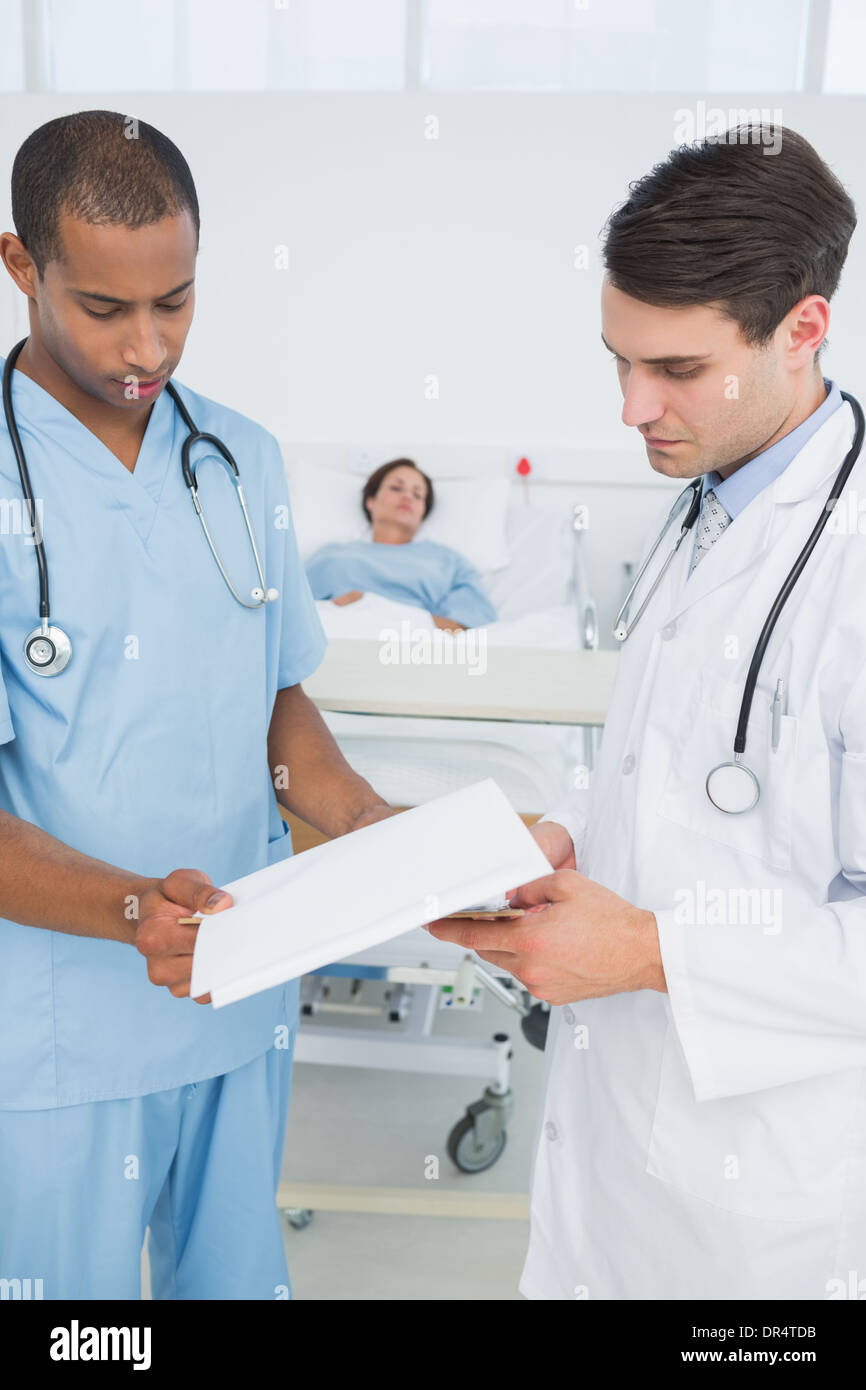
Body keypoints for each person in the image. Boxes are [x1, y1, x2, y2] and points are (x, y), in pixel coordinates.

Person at [429, 125, 866, 1300]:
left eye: (672, 369)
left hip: (760, 1207)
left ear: (801, 329)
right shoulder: (706, 501)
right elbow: (687, 761)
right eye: (617, 360)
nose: (631, 406)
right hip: (616, 1155)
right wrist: (574, 826)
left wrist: (646, 951)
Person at [0, 110, 395, 1300]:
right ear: (20, 266)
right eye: (104, 307)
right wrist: (128, 910)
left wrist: (366, 819)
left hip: (238, 988)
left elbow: (271, 698)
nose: (146, 344)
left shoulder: (241, 457)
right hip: (61, 1019)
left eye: (173, 301)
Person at [306, 457, 496, 631]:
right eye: (396, 488)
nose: (407, 497)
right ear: (371, 501)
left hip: (406, 645)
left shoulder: (448, 562)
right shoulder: (331, 555)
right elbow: (290, 609)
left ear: (423, 512)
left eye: (418, 495)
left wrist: (373, 608)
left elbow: (466, 629)